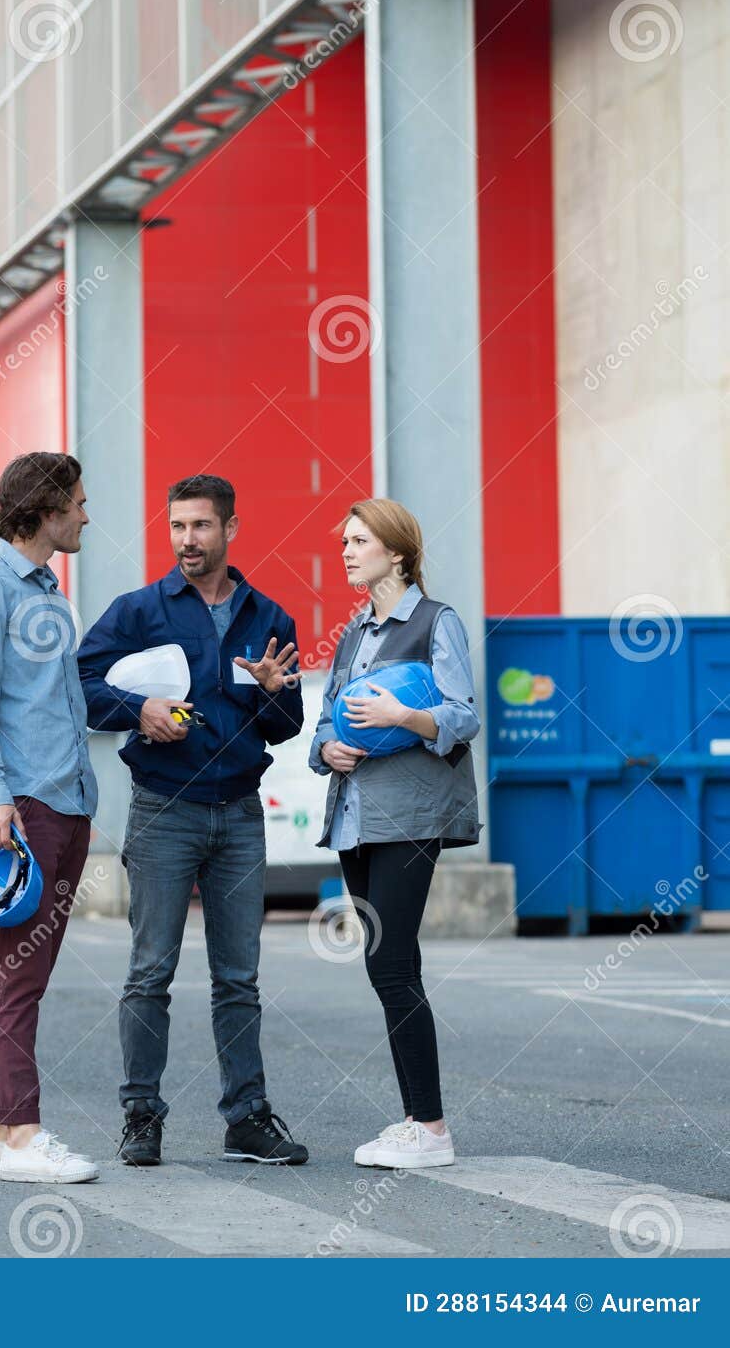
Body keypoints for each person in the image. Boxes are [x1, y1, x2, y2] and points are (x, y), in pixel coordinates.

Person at [77, 473, 309, 1167]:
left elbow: (288, 725)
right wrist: (137, 711)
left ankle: (246, 1117)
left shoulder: (270, 619)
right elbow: (82, 686)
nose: (187, 540)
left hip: (239, 815)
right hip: (163, 811)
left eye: (201, 526)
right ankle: (141, 1115)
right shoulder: (140, 611)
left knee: (239, 979)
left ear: (231, 530)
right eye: (177, 526)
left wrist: (273, 696)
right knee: (150, 970)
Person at [309, 498, 481, 1171]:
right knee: (388, 966)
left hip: (410, 818)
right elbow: (326, 720)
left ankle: (431, 1129)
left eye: (360, 541)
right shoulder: (353, 634)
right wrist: (328, 751)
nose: (348, 552)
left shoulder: (438, 623)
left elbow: (462, 716)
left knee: (391, 963)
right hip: (357, 816)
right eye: (345, 541)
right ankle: (418, 1121)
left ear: (398, 554)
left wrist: (405, 714)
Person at [0, 452, 99, 1185]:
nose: (86, 515)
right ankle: (28, 1135)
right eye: (78, 502)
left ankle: (0, 1131)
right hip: (24, 805)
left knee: (11, 972)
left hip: (64, 799)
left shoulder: (44, 588)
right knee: (18, 976)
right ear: (45, 508)